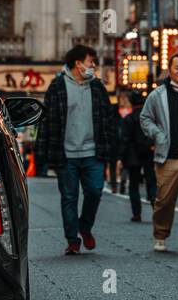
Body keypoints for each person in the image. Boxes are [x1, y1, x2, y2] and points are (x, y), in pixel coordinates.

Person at [34, 44, 118, 256]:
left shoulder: (97, 87)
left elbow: (108, 119)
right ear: (78, 64)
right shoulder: (57, 86)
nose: (93, 66)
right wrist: (42, 156)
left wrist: (112, 148)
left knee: (95, 191)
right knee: (69, 198)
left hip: (93, 153)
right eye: (91, 62)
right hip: (66, 155)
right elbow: (47, 122)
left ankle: (85, 226)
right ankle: (72, 239)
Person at [140, 52, 178, 254]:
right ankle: (160, 234)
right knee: (164, 201)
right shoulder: (157, 95)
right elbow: (145, 119)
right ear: (169, 70)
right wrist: (157, 134)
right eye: (177, 67)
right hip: (166, 158)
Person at [120, 90, 154, 223]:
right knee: (151, 182)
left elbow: (124, 139)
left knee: (133, 185)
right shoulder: (149, 117)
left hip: (132, 155)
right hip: (148, 152)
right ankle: (156, 210)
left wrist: (121, 157)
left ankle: (136, 213)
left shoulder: (129, 118)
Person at [109, 90, 133, 194]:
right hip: (120, 141)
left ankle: (117, 184)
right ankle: (118, 182)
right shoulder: (124, 110)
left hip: (120, 141)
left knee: (117, 164)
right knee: (119, 163)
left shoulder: (119, 110)